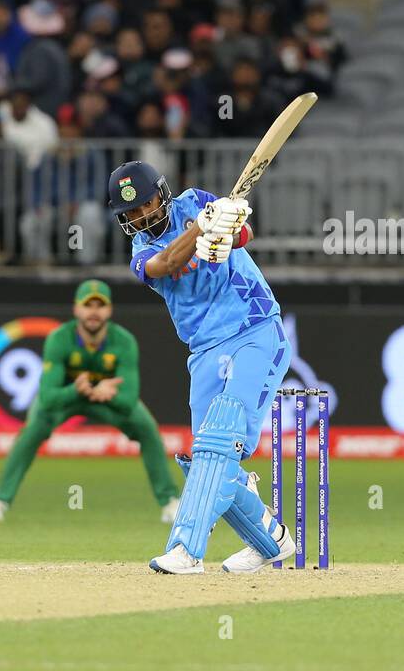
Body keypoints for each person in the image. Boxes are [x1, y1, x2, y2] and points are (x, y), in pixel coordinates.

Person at [108, 160, 294, 574]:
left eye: (146, 205)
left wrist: (228, 225)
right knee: (206, 459)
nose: (141, 216)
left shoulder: (197, 201)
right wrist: (201, 229)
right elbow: (168, 263)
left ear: (162, 193)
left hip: (255, 329)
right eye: (131, 213)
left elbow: (243, 235)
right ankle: (272, 539)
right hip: (205, 352)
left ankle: (186, 550)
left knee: (218, 442)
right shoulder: (141, 253)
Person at [0, 280, 180, 524]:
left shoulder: (124, 341)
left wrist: (103, 393)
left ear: (109, 310)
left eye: (100, 305)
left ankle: (170, 502)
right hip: (68, 397)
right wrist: (77, 389)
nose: (94, 311)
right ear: (76, 309)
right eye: (88, 305)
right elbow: (48, 397)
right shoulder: (60, 339)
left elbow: (128, 400)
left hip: (108, 400)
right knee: (32, 431)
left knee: (147, 429)